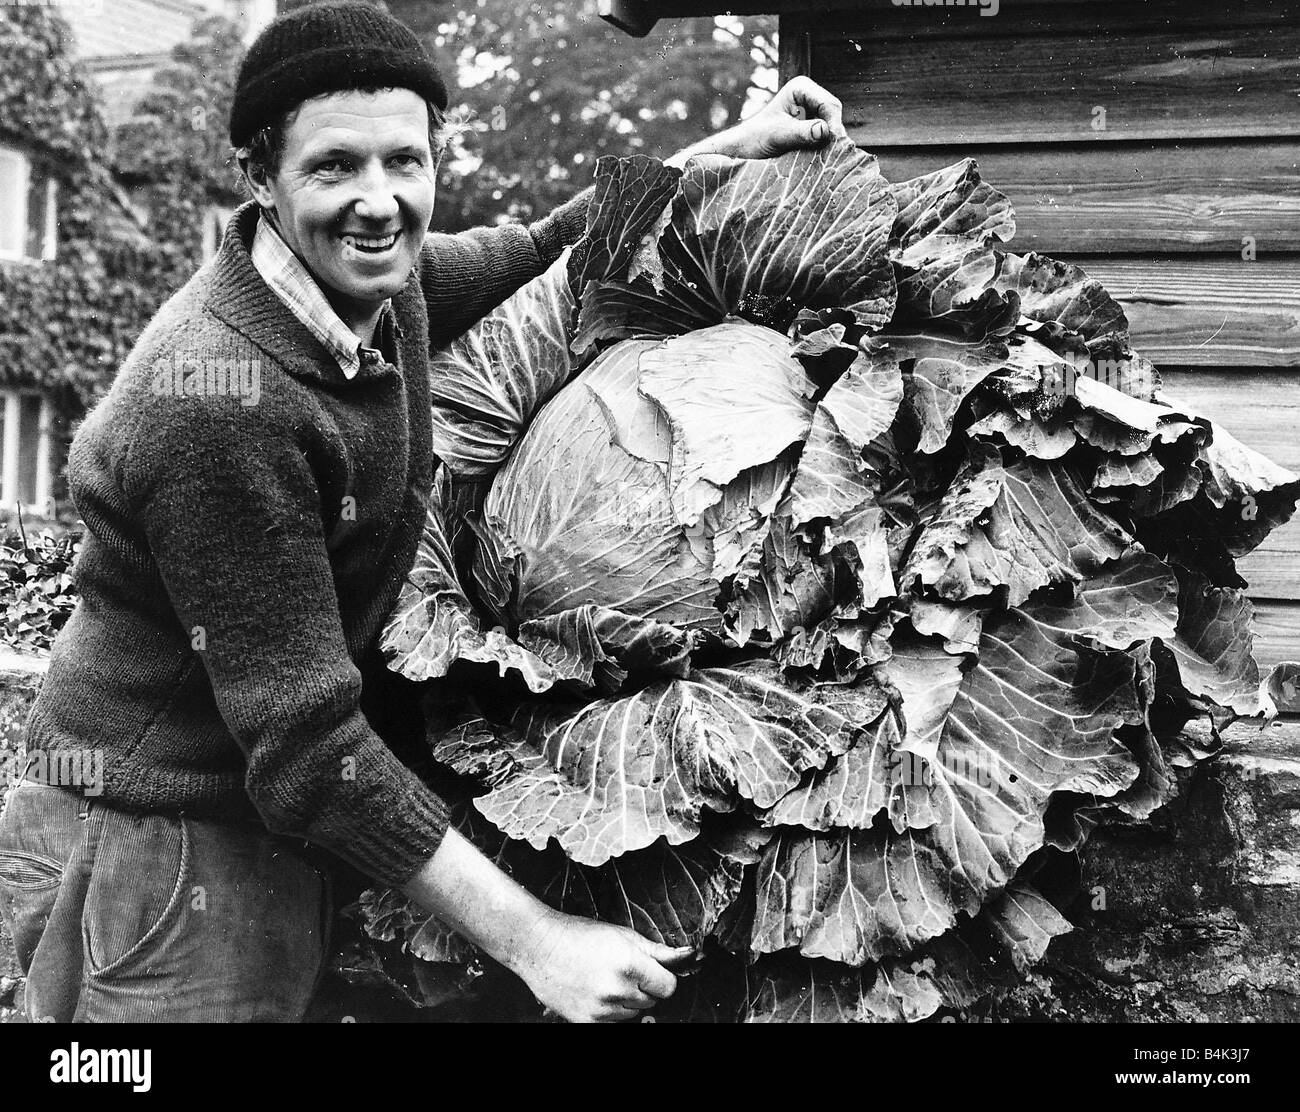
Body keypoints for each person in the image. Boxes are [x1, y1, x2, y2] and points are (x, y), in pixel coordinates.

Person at [0, 0, 847, 1023]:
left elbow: (536, 247)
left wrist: (725, 152)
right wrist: (543, 940)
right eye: (334, 167)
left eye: (406, 161)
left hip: (262, 818)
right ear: (259, 180)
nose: (379, 200)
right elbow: (312, 754)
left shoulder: (375, 287)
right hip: (152, 840)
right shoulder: (215, 403)